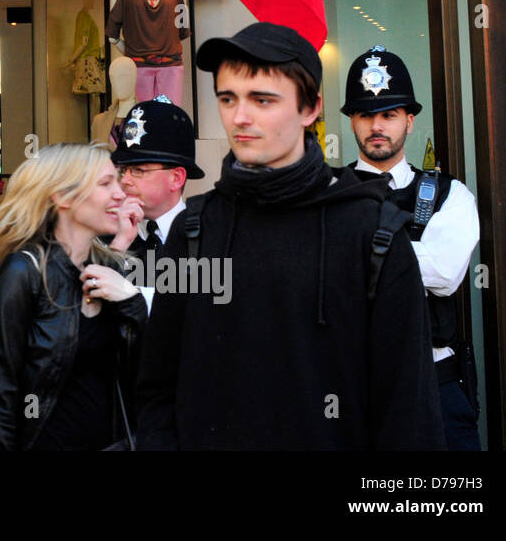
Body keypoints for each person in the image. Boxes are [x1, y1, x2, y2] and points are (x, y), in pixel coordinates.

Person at [136, 22, 445, 450]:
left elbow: (408, 413)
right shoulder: (194, 231)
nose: (240, 116)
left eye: (262, 100)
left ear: (310, 108)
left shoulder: (373, 235)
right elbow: (157, 388)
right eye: (228, 99)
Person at [342, 45, 482, 450]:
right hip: (350, 386)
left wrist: (354, 248)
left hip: (432, 383)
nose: (377, 125)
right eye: (366, 114)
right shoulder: (329, 192)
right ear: (352, 121)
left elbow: (442, 274)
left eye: (389, 114)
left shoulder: (447, 193)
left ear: (409, 119)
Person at [0, 143, 146, 450]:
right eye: (106, 183)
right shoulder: (24, 273)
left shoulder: (111, 269)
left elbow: (143, 374)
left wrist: (132, 302)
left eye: (117, 181)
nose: (120, 193)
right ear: (63, 196)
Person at [110, 96, 204, 314]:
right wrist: (117, 246)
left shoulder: (209, 236)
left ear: (176, 178)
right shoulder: (108, 235)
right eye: (123, 170)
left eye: (139, 170)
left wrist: (132, 294)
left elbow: (210, 308)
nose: (125, 180)